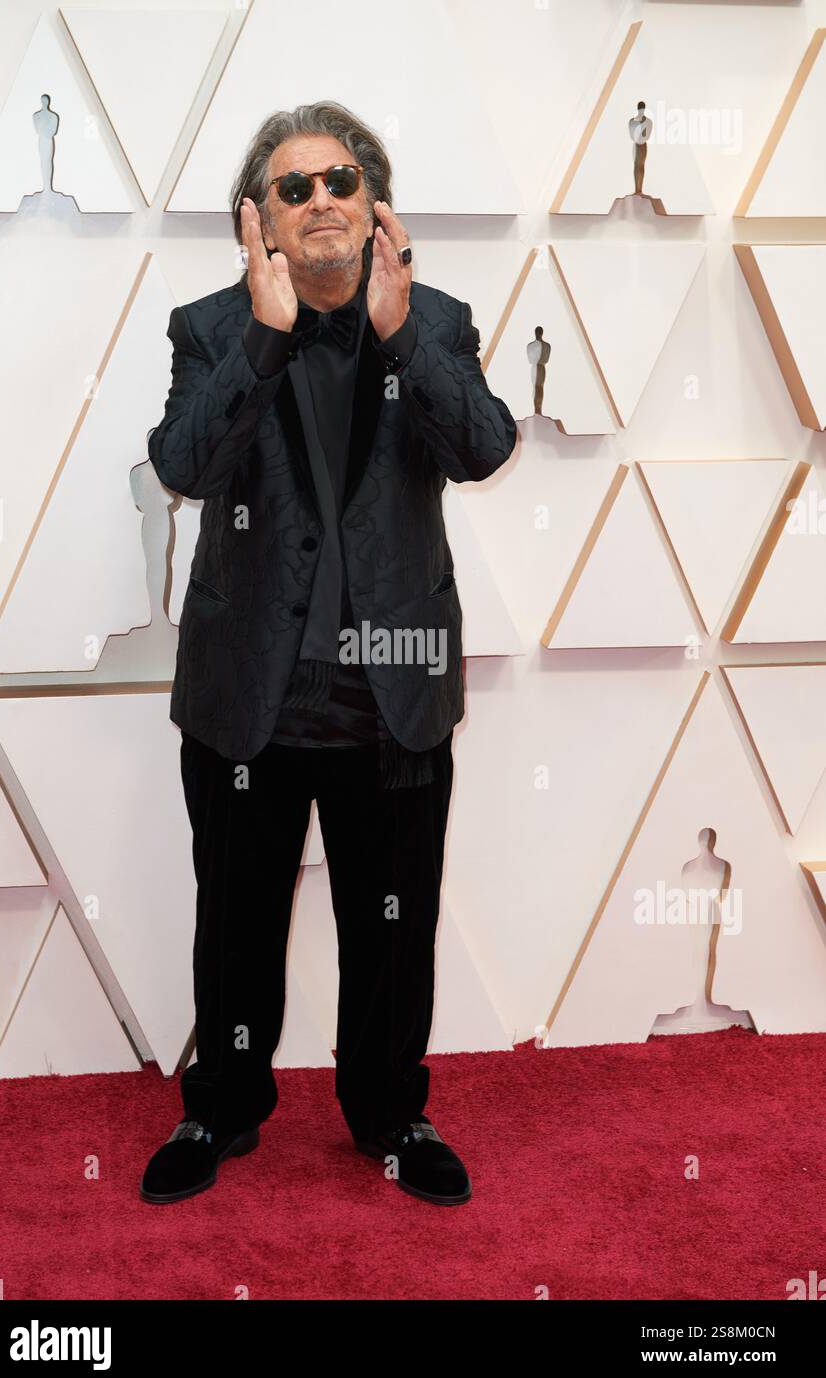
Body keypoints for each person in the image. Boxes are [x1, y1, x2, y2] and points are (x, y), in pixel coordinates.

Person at [141, 100, 517, 1208]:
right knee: (237, 926)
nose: (319, 201)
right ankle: (221, 1108)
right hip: (248, 697)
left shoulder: (434, 319)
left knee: (392, 930)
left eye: (339, 182)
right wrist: (262, 335)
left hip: (391, 698)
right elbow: (184, 466)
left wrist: (403, 338)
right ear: (255, 219)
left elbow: (484, 447)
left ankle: (392, 1115)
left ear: (375, 208)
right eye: (292, 186)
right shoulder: (211, 327)